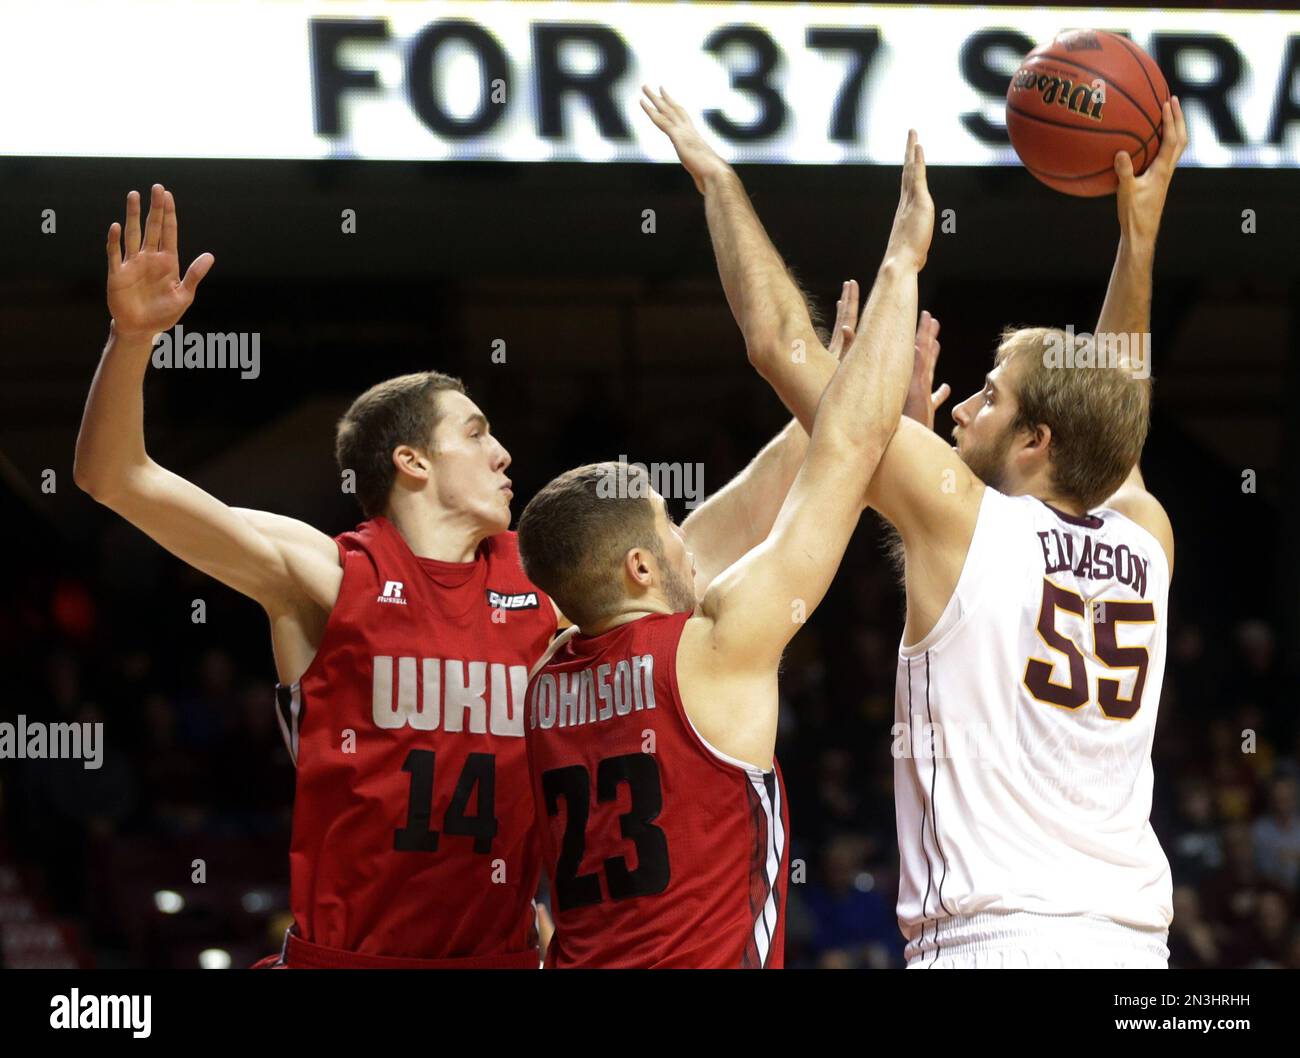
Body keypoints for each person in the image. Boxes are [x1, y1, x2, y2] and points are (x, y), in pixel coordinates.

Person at [73, 182, 846, 968]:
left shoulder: (546, 591)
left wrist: (837, 399)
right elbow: (116, 477)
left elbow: (711, 530)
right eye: (475, 434)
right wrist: (131, 338)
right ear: (412, 461)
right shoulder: (327, 576)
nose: (503, 453)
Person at [649, 82, 1189, 968]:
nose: (965, 405)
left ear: (1035, 440)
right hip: (1137, 951)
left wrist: (721, 187)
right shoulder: (1144, 537)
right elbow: (1114, 408)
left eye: (990, 395)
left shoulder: (961, 516)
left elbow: (780, 347)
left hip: (993, 942)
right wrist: (1138, 238)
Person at [514, 126, 933, 967]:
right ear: (639, 565)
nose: (686, 530)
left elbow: (740, 514)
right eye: (670, 521)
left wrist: (825, 399)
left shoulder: (545, 675)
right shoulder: (713, 644)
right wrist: (903, 264)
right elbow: (847, 451)